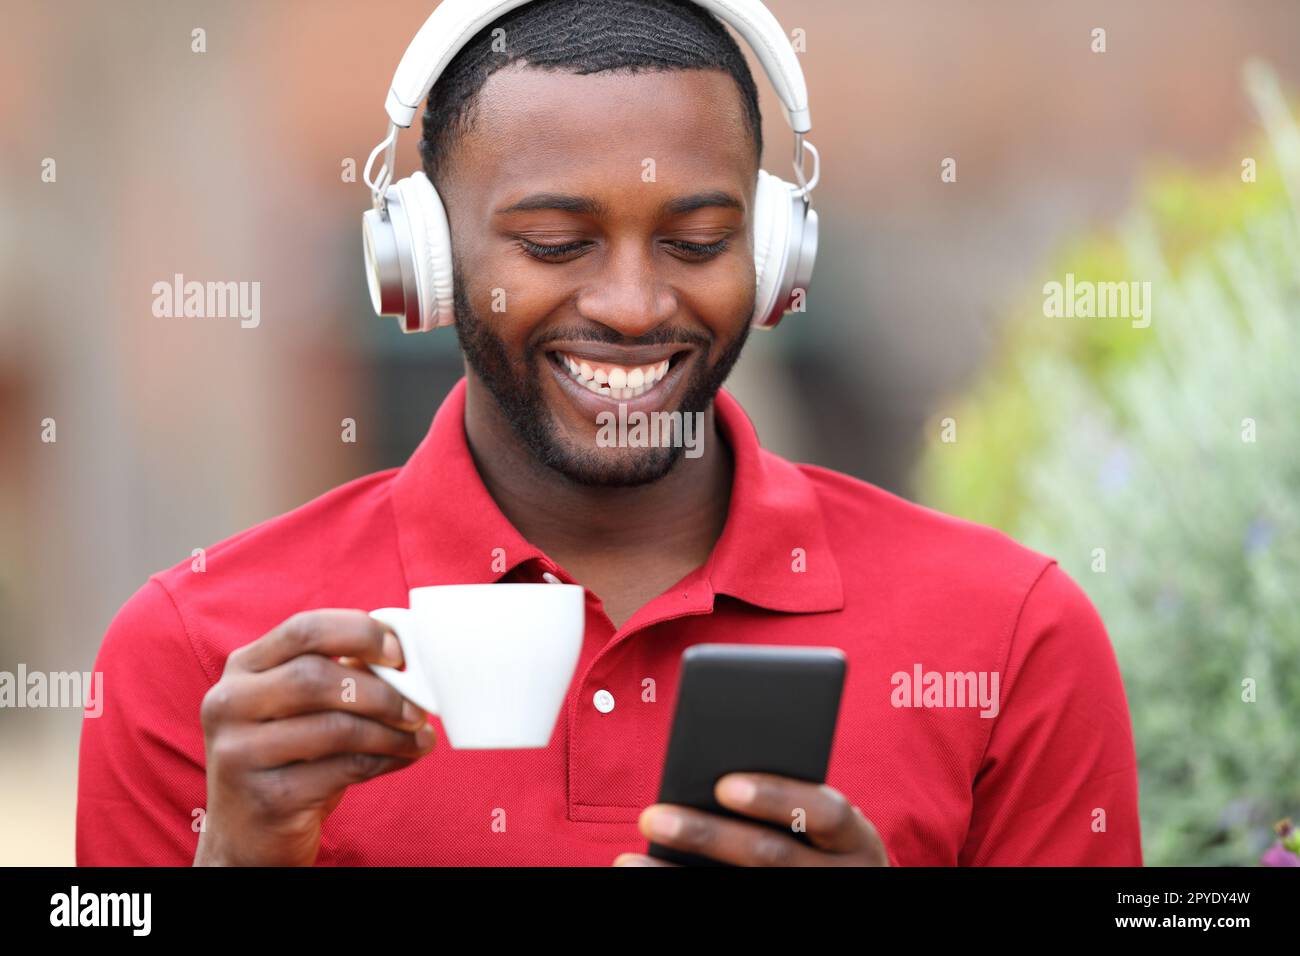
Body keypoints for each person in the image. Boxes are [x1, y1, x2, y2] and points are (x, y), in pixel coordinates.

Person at [77, 0, 1141, 866]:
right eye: (553, 242)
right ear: (423, 259)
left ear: (775, 259)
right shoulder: (196, 656)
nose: (633, 304)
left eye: (696, 239)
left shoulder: (1011, 638)